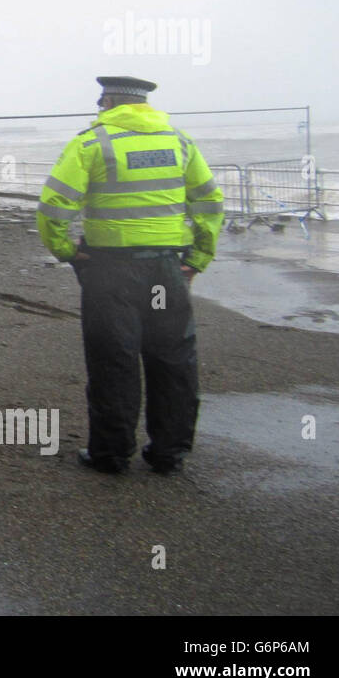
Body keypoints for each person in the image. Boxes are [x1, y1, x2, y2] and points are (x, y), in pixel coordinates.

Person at [37, 77, 224, 475]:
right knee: (173, 359)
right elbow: (209, 199)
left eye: (100, 100)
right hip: (166, 271)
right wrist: (199, 256)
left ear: (108, 101)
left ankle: (110, 454)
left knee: (113, 360)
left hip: (110, 271)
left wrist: (67, 251)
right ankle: (169, 452)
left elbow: (54, 205)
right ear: (144, 104)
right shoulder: (180, 142)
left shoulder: (91, 143)